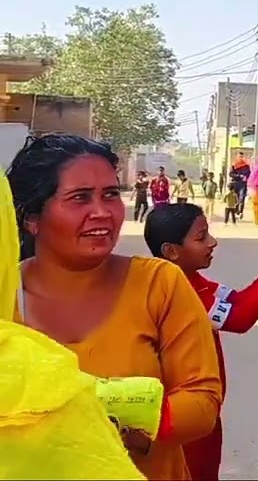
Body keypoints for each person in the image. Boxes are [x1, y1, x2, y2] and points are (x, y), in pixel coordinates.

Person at [8, 134, 222, 480]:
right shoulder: (5, 297)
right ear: (32, 217)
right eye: (80, 198)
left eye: (110, 194)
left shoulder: (159, 284)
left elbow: (202, 402)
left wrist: (107, 421)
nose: (102, 212)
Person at [144, 203, 258, 481]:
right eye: (201, 237)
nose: (212, 242)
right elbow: (239, 318)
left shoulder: (191, 280)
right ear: (171, 251)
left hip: (199, 415)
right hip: (183, 417)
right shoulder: (177, 291)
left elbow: (235, 301)